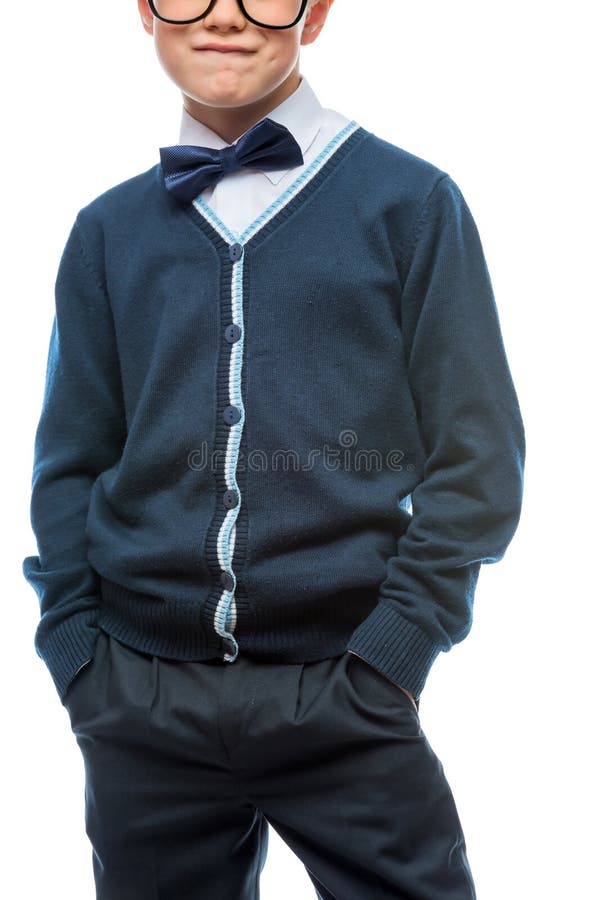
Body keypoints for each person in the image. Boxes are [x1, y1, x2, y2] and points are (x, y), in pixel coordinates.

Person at [22, 0, 526, 897]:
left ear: (317, 12)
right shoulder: (106, 230)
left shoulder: (411, 205)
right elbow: (69, 457)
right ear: (144, 12)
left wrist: (395, 651)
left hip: (345, 687)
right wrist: (77, 653)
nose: (225, 17)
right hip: (138, 698)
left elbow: (479, 458)